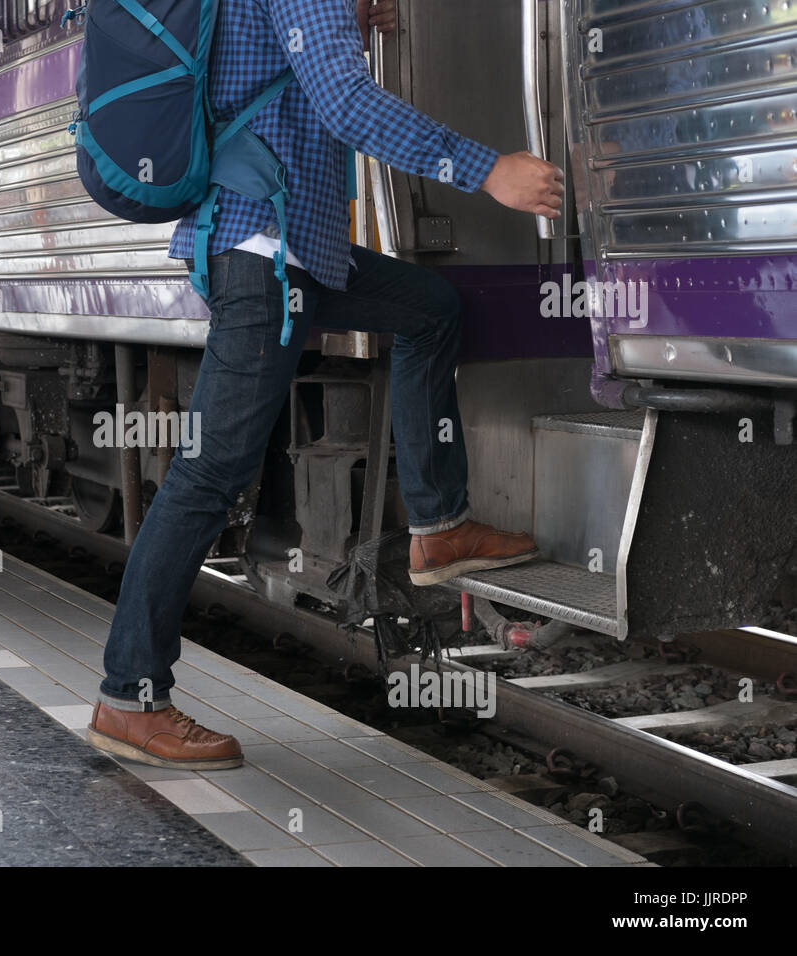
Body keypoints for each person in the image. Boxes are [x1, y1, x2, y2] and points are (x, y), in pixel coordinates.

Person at [85, 0, 564, 771]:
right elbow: (347, 104)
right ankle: (129, 696)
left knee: (431, 309)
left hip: (285, 250)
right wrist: (489, 170)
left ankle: (439, 527)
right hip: (262, 253)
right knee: (209, 476)